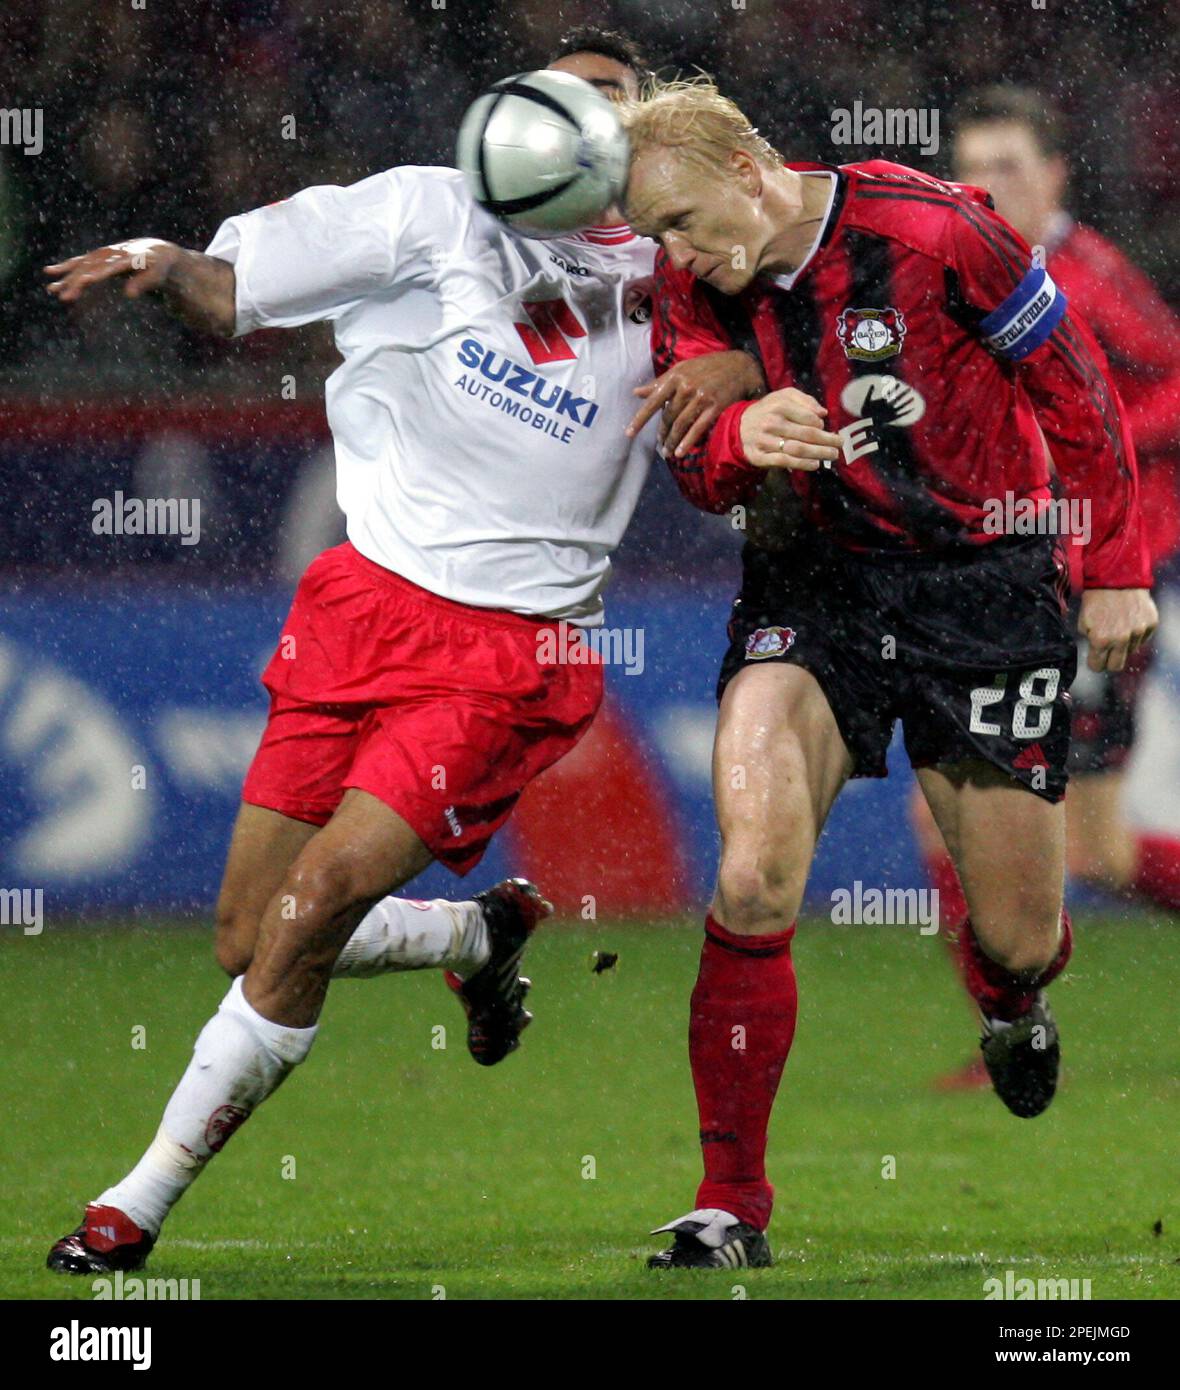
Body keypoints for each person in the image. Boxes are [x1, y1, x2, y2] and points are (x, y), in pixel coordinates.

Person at [40, 31, 763, 1276]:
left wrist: (746, 363)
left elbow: (784, 326)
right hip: (361, 604)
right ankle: (469, 939)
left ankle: (131, 1208)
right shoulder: (428, 211)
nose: (587, 124)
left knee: (315, 902)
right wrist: (166, 264)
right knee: (250, 930)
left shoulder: (678, 271)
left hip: (508, 647)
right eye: (566, 98)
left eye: (615, 106)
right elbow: (233, 288)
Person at [621, 77, 1157, 1269]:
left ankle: (1013, 1005)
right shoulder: (687, 280)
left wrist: (1115, 565)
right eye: (655, 232)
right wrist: (730, 442)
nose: (671, 254)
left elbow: (1074, 385)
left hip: (983, 584)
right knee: (754, 873)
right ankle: (728, 1204)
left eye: (679, 221)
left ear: (750, 170)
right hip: (813, 586)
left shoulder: (935, 229)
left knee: (1018, 934)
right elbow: (694, 460)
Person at [910, 87, 1180, 1088]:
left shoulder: (1083, 275)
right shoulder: (975, 271)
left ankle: (1010, 1018)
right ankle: (1008, 1021)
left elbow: (1169, 385)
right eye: (971, 169)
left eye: (1011, 165)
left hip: (1094, 588)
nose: (989, 186)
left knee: (1081, 845)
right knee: (1007, 827)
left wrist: (1077, 439)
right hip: (1018, 581)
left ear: (1056, 174)